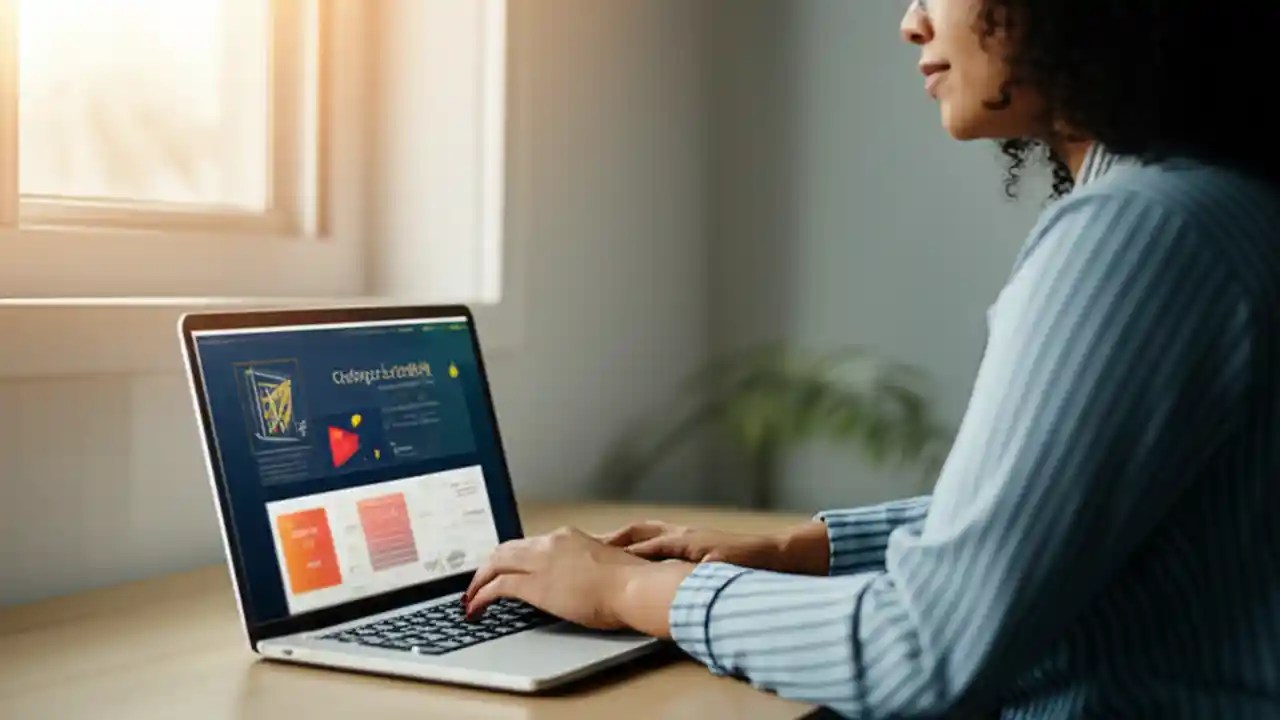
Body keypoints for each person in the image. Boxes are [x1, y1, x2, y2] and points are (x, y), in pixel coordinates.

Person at [464, 0, 1280, 716]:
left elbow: (922, 650)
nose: (911, 21)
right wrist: (797, 550)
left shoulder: (1136, 235)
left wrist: (627, 591)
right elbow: (1069, 514)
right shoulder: (1216, 203)